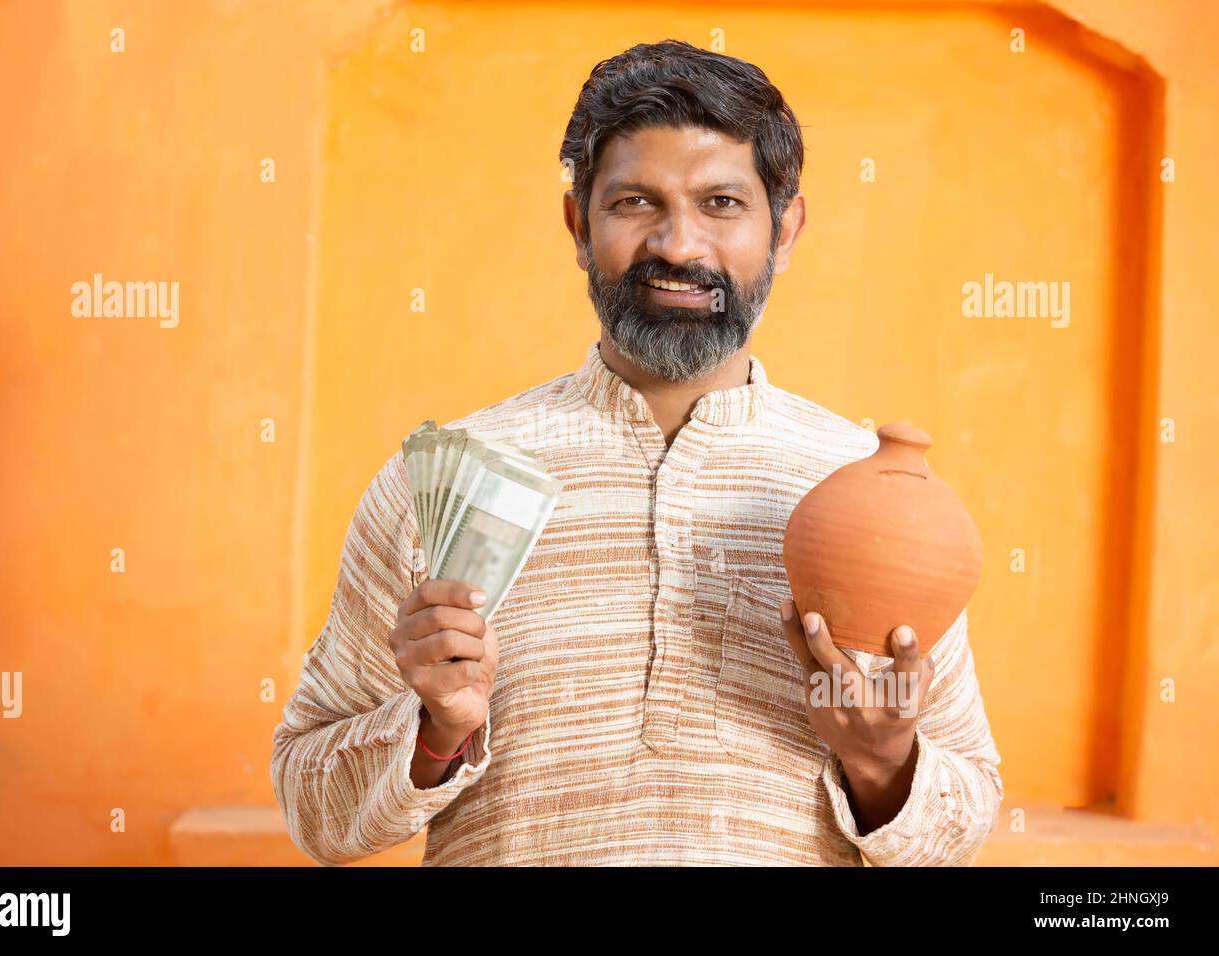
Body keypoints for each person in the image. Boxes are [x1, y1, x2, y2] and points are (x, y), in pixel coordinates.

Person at [271, 39, 1002, 866]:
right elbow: (312, 807)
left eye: (723, 202)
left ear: (786, 229)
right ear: (578, 224)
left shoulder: (871, 505)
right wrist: (436, 732)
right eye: (635, 203)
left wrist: (883, 764)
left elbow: (966, 817)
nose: (678, 246)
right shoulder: (446, 479)